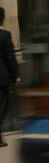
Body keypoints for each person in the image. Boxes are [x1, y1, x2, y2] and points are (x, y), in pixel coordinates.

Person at [0, 8, 19, 146]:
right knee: (3, 106)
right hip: (2, 78)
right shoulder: (4, 35)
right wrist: (15, 75)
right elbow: (10, 57)